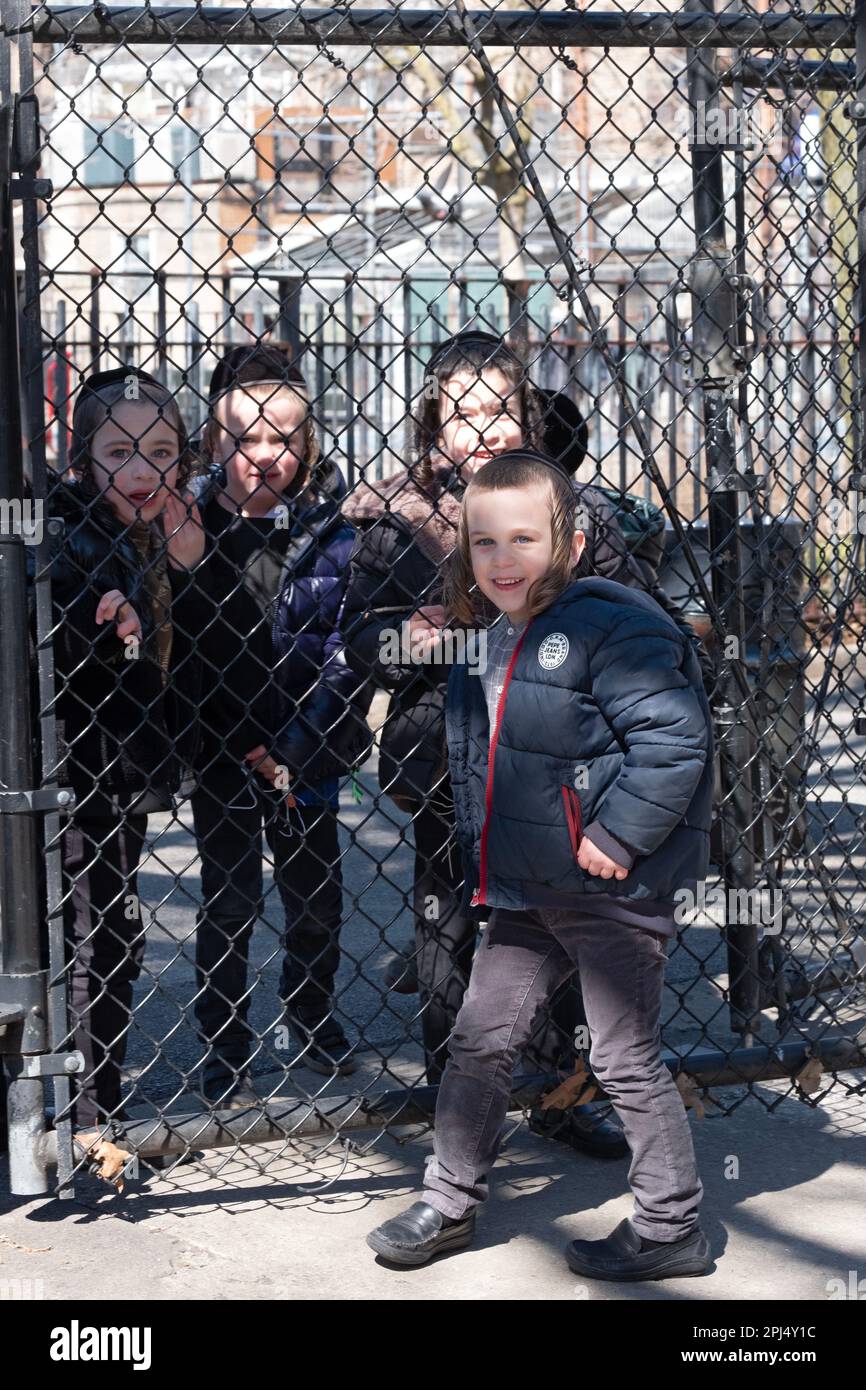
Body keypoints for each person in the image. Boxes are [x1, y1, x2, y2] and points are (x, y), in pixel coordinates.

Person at [341, 329, 701, 1156]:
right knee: (450, 930)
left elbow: (631, 612)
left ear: (529, 418)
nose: (484, 430)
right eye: (463, 414)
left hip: (560, 767)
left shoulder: (574, 510)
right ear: (435, 424)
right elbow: (358, 640)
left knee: (563, 936)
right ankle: (457, 1112)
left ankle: (560, 1094)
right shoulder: (396, 518)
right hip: (447, 759)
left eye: (501, 410)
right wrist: (410, 638)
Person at [366, 448, 714, 1279]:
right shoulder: (490, 639)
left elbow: (674, 740)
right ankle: (449, 1200)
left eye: (526, 539)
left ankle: (672, 1226)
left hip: (609, 887)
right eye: (483, 543)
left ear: (575, 542)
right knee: (480, 1042)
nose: (503, 559)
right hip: (525, 890)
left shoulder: (612, 623)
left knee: (624, 1055)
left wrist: (620, 836)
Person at [189, 345, 371, 1106]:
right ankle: (225, 1047)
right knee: (229, 899)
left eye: (284, 438)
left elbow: (344, 650)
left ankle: (312, 1015)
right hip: (224, 749)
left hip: (306, 746)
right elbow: (186, 650)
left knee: (316, 897)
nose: (266, 454)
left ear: (309, 442)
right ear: (215, 442)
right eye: (247, 438)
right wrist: (235, 740)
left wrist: (299, 745)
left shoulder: (333, 530)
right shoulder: (188, 524)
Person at [36, 365, 206, 1128]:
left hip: (119, 775)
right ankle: (81, 1111)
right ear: (82, 460)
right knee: (87, 936)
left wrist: (187, 557)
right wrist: (99, 622)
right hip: (74, 771)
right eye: (119, 452)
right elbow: (56, 621)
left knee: (110, 933)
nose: (143, 470)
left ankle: (94, 1100)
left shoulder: (162, 532)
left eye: (162, 451)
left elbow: (210, 642)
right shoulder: (68, 528)